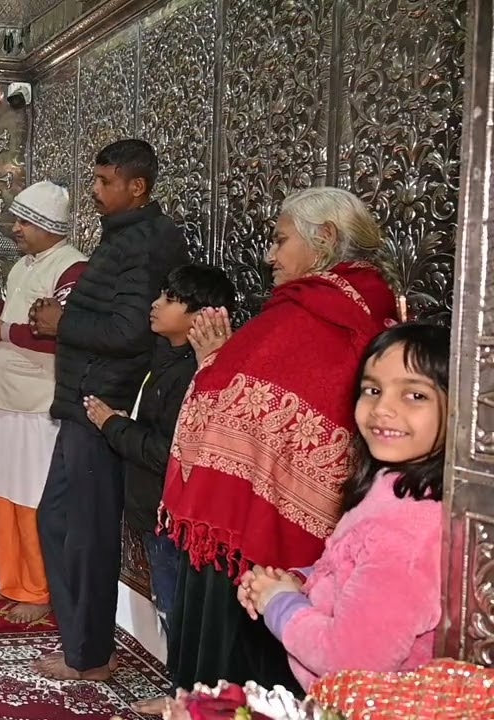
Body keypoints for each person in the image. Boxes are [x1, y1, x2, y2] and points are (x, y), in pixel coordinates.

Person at [159, 186, 399, 693]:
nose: (270, 254)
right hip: (328, 523)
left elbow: (233, 406)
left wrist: (212, 364)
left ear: (325, 238)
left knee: (241, 671)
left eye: (280, 239)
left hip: (250, 533)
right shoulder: (376, 305)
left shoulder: (306, 313)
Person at [27, 138, 189, 681]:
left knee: (83, 529)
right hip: (84, 403)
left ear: (136, 186)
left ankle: (89, 655)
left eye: (103, 182)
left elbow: (128, 330)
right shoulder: (124, 236)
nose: (94, 192)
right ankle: (84, 644)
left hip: (103, 405)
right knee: (61, 520)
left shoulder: (145, 241)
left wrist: (60, 323)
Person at [239, 322, 446, 690]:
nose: (382, 408)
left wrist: (279, 603)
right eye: (373, 389)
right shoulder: (397, 488)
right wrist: (298, 582)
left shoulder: (410, 533)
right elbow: (355, 570)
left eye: (414, 395)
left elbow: (350, 664)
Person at [82, 264, 236, 664]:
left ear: (201, 315)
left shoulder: (191, 373)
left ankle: (185, 694)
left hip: (173, 514)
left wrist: (111, 425)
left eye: (169, 299)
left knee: (177, 607)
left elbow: (167, 449)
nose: (156, 304)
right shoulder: (168, 359)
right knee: (170, 603)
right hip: (156, 509)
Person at [0, 180, 88, 624]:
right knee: (4, 494)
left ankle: (40, 590)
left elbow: (61, 335)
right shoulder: (23, 266)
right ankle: (12, 581)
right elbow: (19, 321)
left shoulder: (73, 269)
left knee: (35, 499)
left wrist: (1, 332)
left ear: (46, 225)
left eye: (23, 221)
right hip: (6, 396)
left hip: (40, 402)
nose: (15, 228)